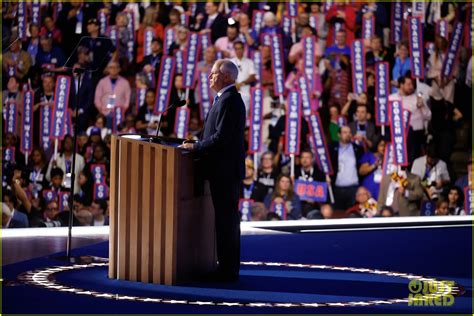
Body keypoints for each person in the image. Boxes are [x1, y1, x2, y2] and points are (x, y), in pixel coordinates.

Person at [179, 59, 245, 282]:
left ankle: (227, 270)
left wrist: (197, 146)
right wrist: (195, 141)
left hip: (225, 172)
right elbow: (213, 134)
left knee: (226, 221)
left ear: (226, 77)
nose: (209, 76)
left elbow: (221, 138)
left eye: (214, 72)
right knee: (224, 221)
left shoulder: (230, 100)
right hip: (220, 170)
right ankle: (226, 267)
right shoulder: (223, 99)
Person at [389, 76, 431, 162]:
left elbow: (429, 116)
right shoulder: (391, 98)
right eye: (408, 84)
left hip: (416, 135)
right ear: (401, 85)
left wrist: (422, 107)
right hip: (398, 133)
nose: (411, 86)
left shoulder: (417, 99)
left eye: (412, 84)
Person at [329, 126, 364, 211]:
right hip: (337, 187)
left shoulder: (357, 148)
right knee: (338, 214)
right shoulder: (332, 148)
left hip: (353, 187)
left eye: (349, 132)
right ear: (339, 134)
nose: (348, 135)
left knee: (353, 213)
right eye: (345, 132)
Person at [94, 61, 131, 128]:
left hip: (120, 114)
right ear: (108, 69)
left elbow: (127, 99)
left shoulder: (125, 82)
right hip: (105, 113)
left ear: (119, 69)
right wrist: (102, 112)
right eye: (111, 67)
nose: (113, 69)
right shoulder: (102, 82)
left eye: (116, 67)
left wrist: (122, 111)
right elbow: (97, 99)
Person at [231, 41, 256, 114]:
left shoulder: (249, 62)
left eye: (240, 48)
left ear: (243, 49)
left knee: (243, 116)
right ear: (234, 50)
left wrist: (241, 84)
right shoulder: (230, 62)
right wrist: (234, 84)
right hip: (232, 93)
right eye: (236, 49)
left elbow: (253, 77)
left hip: (245, 93)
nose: (238, 50)